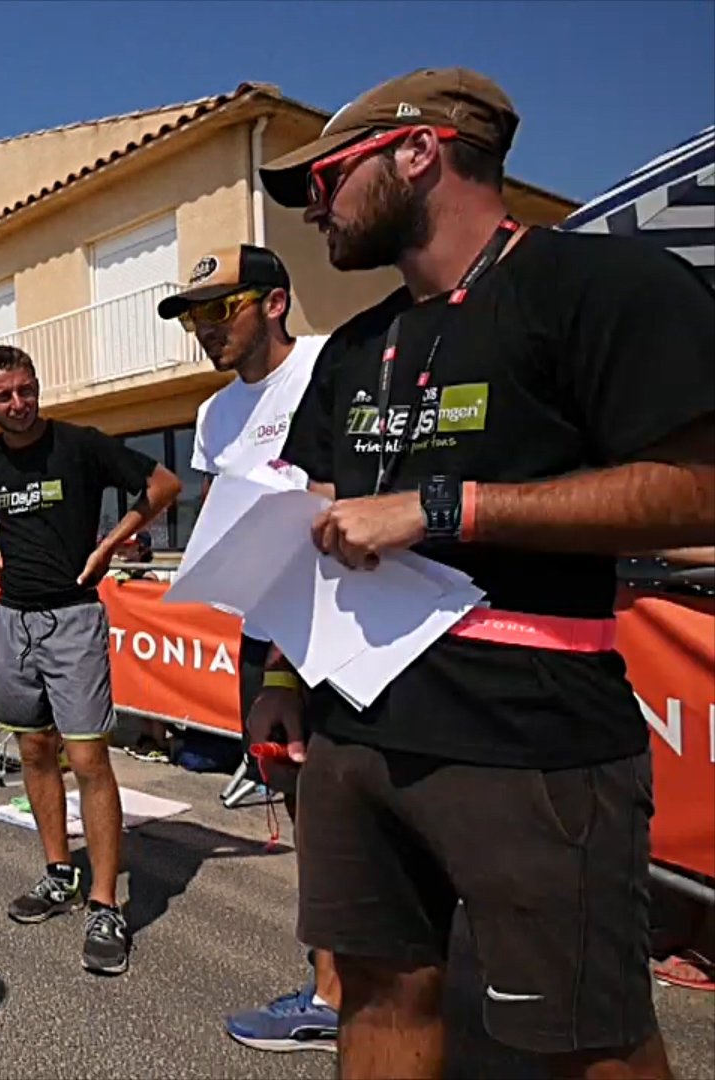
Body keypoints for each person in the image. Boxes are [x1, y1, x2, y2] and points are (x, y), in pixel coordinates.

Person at [258, 66, 714, 1078]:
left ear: (419, 151)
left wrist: (443, 509)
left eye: (327, 178)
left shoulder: (596, 288)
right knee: (375, 998)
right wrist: (282, 677)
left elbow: (699, 493)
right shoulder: (356, 349)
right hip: (355, 736)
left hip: (532, 740)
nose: (314, 208)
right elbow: (310, 528)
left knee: (586, 1041)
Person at [154, 241, 338, 1050]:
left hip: (349, 626)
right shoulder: (212, 413)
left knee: (378, 808)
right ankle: (334, 991)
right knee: (309, 811)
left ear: (274, 301)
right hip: (267, 641)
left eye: (218, 307)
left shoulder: (335, 366)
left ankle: (385, 988)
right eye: (193, 314)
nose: (203, 327)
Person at [0, 344, 180, 976]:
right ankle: (59, 874)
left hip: (75, 618)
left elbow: (164, 484)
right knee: (32, 750)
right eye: (4, 396)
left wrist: (109, 544)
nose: (19, 403)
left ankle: (106, 902)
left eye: (26, 389)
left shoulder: (79, 445)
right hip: (13, 620)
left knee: (87, 758)